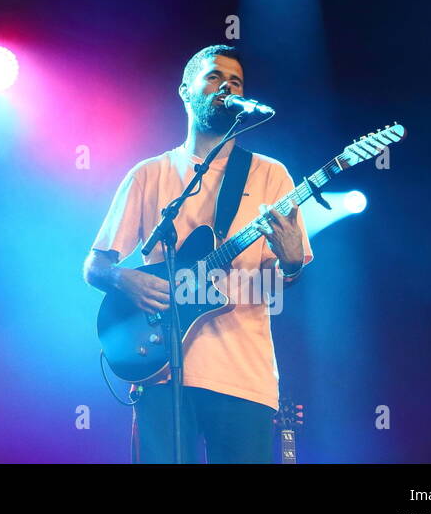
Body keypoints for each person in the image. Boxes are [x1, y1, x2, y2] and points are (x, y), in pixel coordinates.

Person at [83, 45, 312, 463]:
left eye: (236, 81)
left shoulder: (270, 174)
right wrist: (122, 277)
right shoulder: (148, 174)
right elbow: (95, 266)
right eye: (214, 76)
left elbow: (284, 281)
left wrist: (293, 261)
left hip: (245, 376)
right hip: (159, 369)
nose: (226, 85)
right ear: (186, 91)